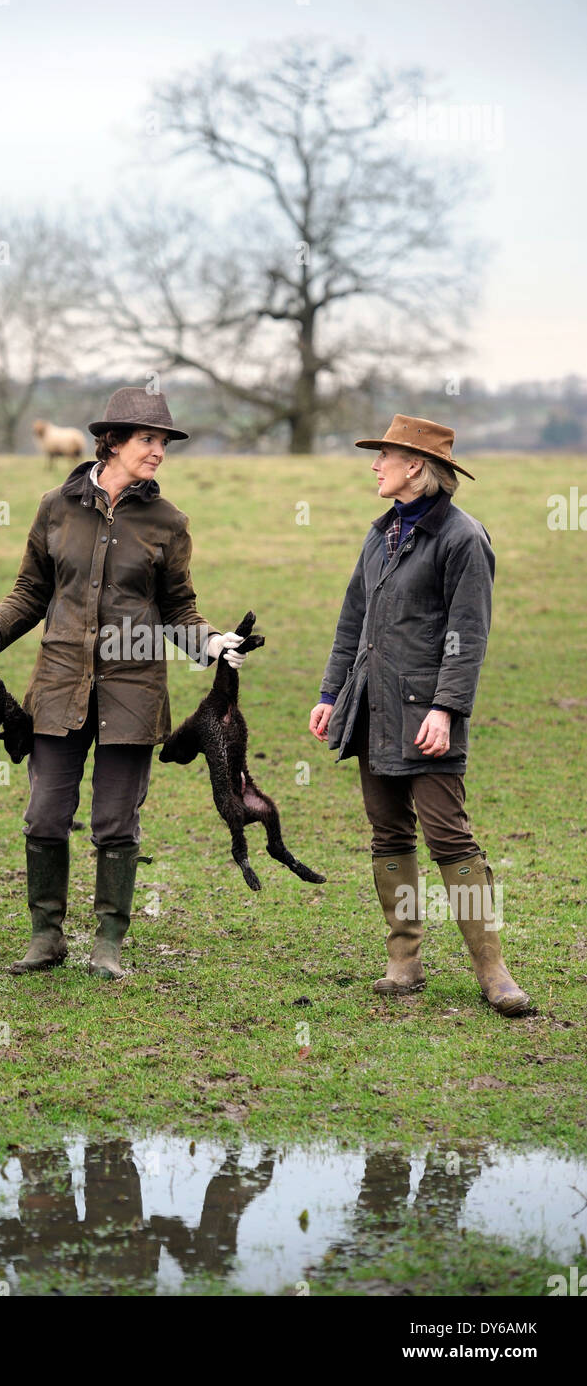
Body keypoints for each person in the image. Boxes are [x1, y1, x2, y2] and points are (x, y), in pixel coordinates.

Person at [0, 386, 246, 980]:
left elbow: (178, 610)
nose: (159, 451)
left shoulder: (169, 522)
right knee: (44, 816)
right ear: (112, 441)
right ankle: (46, 938)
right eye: (148, 439)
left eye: (164, 441)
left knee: (116, 823)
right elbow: (32, 591)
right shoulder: (54, 507)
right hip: (61, 684)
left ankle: (108, 944)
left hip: (133, 692)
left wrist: (211, 643)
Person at [309, 414, 530, 1017]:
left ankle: (494, 972)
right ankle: (403, 962)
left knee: (450, 838)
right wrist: (331, 693)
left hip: (427, 717)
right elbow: (351, 622)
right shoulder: (378, 534)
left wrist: (447, 708)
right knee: (389, 834)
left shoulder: (463, 538)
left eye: (384, 456)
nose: (375, 465)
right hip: (371, 707)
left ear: (415, 467)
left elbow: (468, 634)